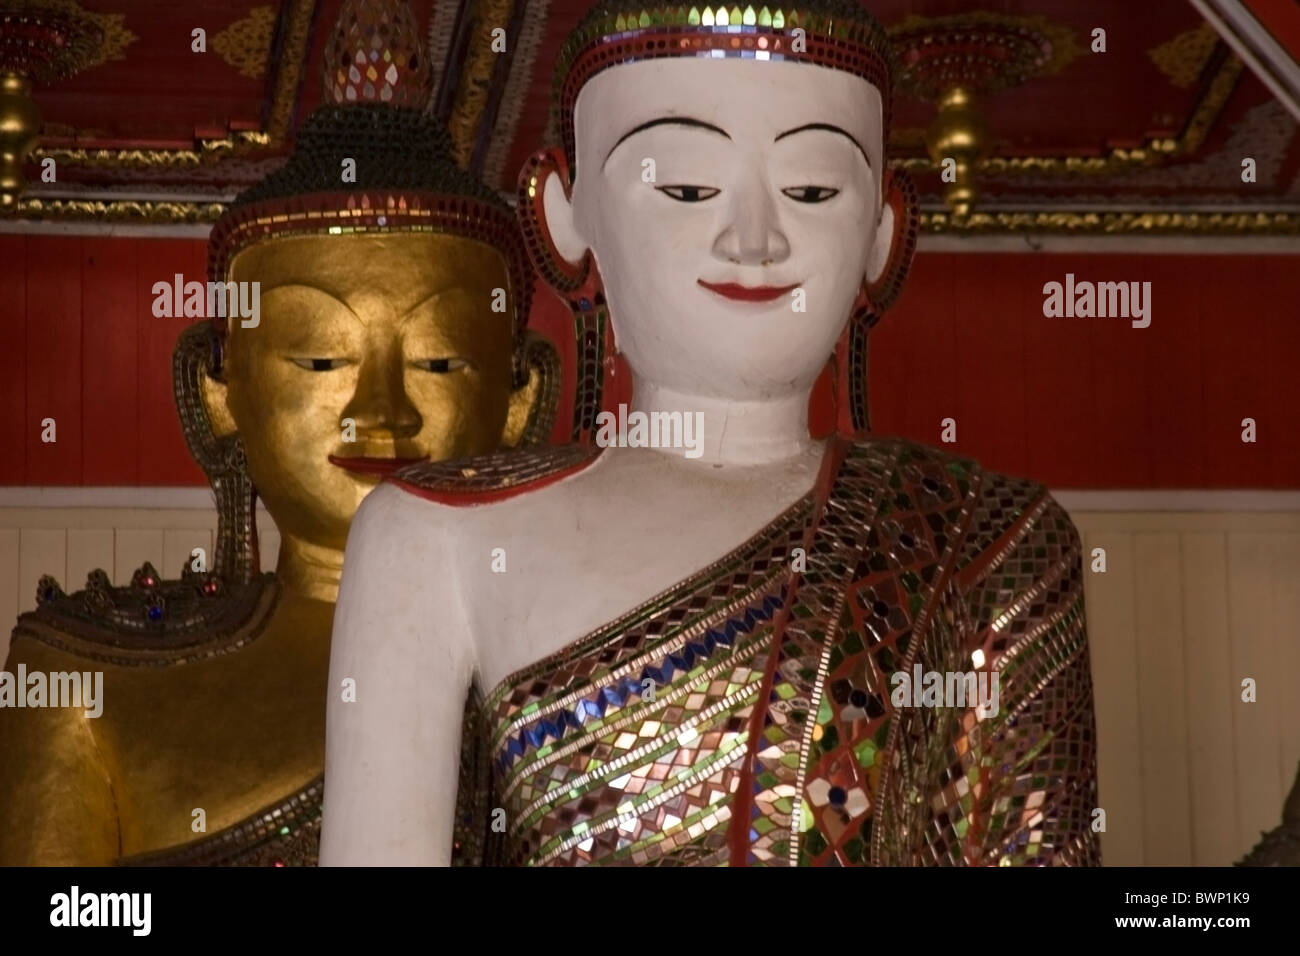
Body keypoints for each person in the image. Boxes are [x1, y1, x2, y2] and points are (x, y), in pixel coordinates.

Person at [321, 0, 1100, 866]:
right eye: (686, 187)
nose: (755, 239)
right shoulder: (434, 537)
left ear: (883, 229)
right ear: (562, 214)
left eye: (812, 189)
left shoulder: (987, 542)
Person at [0, 0, 556, 865]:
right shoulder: (91, 676)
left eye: (439, 362)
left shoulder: (587, 674)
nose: (383, 411)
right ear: (217, 389)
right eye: (319, 360)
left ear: (521, 399)